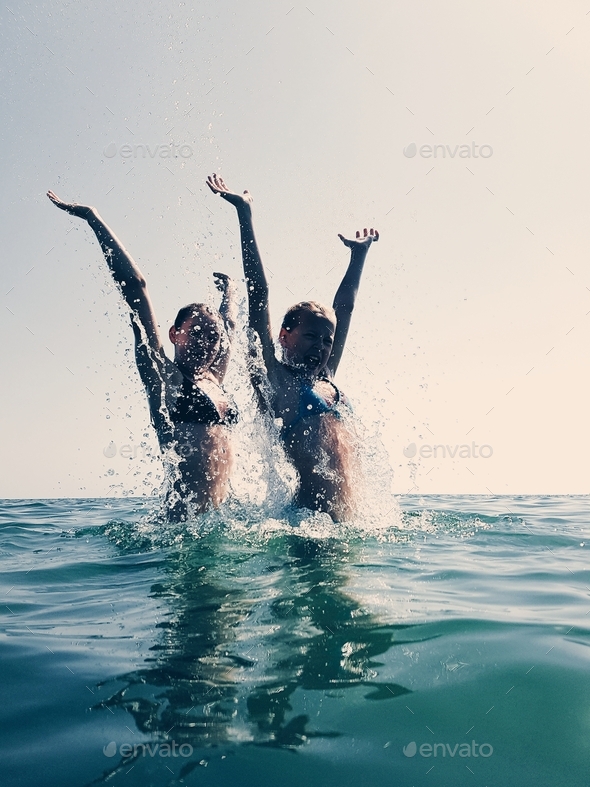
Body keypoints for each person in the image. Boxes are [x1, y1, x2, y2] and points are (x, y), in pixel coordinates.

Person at [47, 190, 238, 520]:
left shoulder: (214, 378)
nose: (208, 343)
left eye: (213, 338)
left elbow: (229, 326)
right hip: (180, 528)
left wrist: (231, 292)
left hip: (219, 525)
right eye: (197, 333)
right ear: (174, 334)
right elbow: (135, 286)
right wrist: (93, 218)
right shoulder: (164, 377)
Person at [206, 174, 379, 521]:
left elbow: (344, 308)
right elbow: (259, 293)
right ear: (284, 335)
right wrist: (245, 216)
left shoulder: (326, 378)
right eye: (312, 337)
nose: (323, 347)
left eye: (328, 340)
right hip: (309, 525)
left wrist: (358, 258)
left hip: (348, 525)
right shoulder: (275, 379)